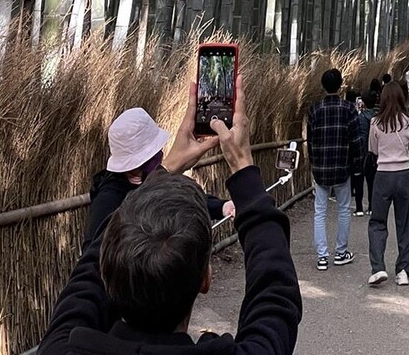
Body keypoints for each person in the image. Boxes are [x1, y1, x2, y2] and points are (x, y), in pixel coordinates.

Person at [39, 73, 302, 354]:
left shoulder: (60, 348)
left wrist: (167, 170)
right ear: (206, 279)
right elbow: (275, 294)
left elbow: (85, 280)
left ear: (106, 268)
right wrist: (242, 168)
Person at [86, 107, 234, 239]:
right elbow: (94, 257)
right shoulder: (108, 200)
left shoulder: (152, 179)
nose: (160, 155)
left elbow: (181, 198)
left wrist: (222, 207)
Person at [306, 67, 364, 271]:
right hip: (342, 167)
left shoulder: (314, 109)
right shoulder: (348, 109)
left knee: (320, 211)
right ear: (340, 85)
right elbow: (356, 140)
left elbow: (311, 142)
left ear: (323, 86)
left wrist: (313, 163)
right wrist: (357, 165)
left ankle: (322, 257)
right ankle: (341, 252)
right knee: (343, 209)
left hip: (321, 169)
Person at [367, 79, 409, 287]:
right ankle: (403, 271)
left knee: (378, 222)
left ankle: (378, 267)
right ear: (401, 98)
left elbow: (373, 149)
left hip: (383, 176)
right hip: (404, 174)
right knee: (405, 224)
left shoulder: (375, 123)